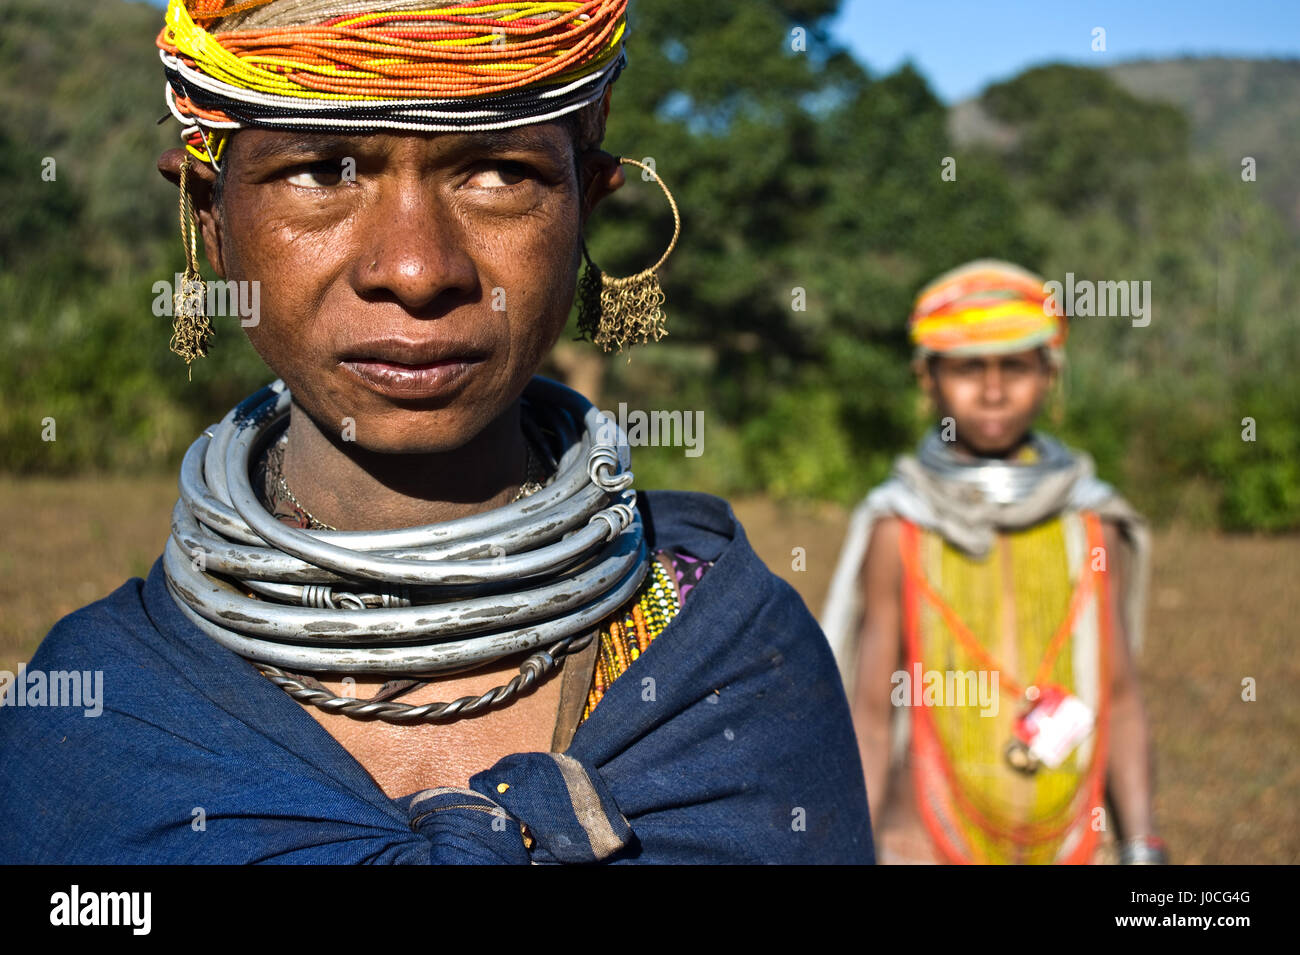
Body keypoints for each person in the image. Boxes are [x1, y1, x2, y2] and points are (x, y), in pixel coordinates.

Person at [0, 0, 871, 865]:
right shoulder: (95, 715)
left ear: (588, 207)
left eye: (497, 171)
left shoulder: (730, 660)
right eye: (324, 168)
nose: (416, 269)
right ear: (209, 216)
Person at [820, 259, 1164, 864]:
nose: (995, 390)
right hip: (921, 843)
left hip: (1073, 845)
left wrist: (1142, 844)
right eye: (967, 369)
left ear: (1049, 377)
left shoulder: (1091, 521)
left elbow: (1120, 695)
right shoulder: (900, 525)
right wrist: (847, 849)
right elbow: (872, 712)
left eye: (1017, 367)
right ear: (927, 380)